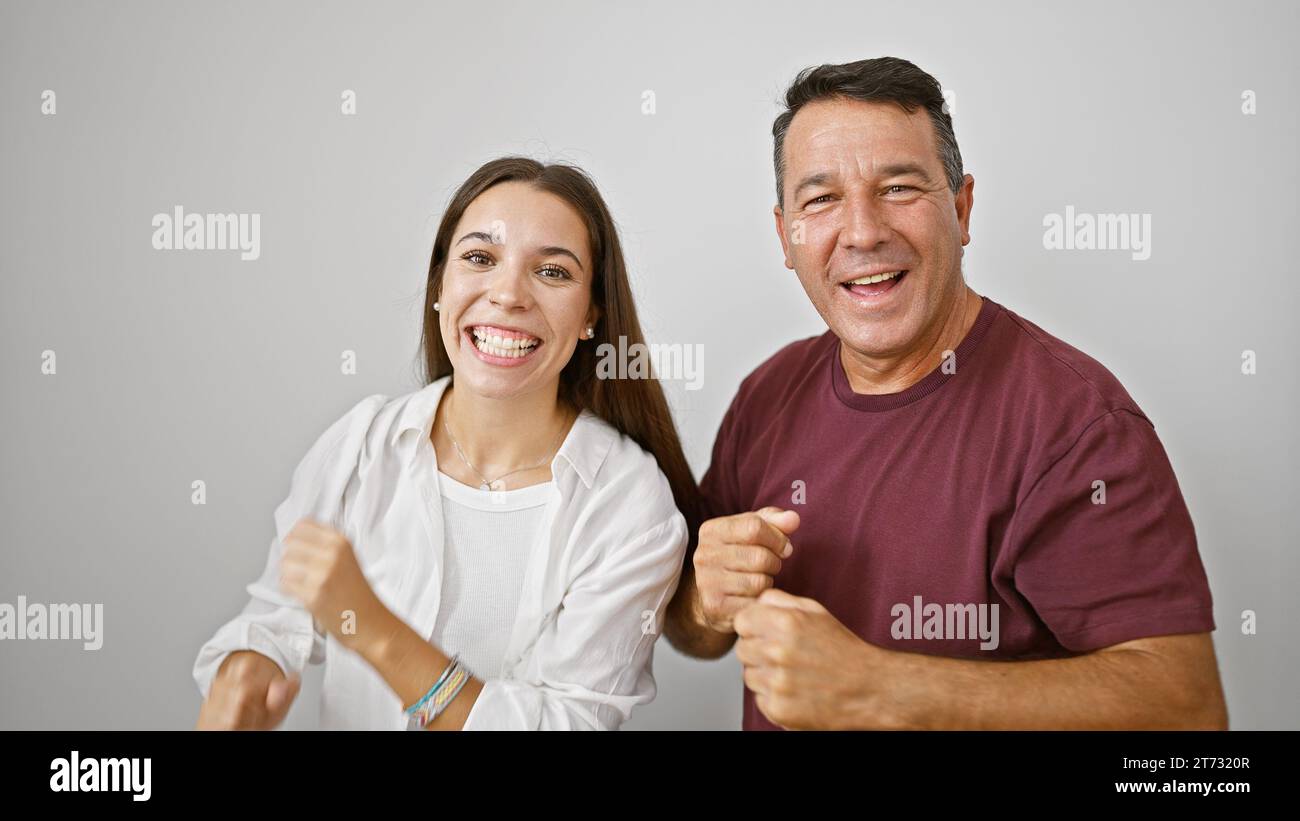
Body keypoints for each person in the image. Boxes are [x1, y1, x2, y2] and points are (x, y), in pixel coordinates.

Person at [665, 57, 1228, 730]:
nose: (864, 231)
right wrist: (703, 601)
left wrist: (882, 688)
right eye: (820, 200)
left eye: (899, 187)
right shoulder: (767, 392)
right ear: (786, 235)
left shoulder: (1078, 424)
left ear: (961, 209)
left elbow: (1188, 713)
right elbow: (698, 631)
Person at [194, 157, 695, 730]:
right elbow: (278, 615)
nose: (507, 294)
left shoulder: (628, 503)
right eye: (480, 258)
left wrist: (373, 627)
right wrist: (247, 667)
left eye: (552, 272)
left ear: (592, 315)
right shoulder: (362, 445)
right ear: (439, 285)